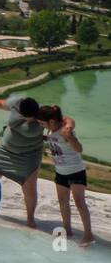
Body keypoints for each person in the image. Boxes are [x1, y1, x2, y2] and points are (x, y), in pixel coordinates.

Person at [0, 95, 44, 228]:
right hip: (5, 152)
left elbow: (63, 120)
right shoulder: (17, 102)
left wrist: (68, 127)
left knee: (29, 188)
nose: (29, 120)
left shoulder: (43, 113)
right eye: (26, 117)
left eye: (32, 118)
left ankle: (30, 218)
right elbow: (2, 103)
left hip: (28, 156)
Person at [40, 106, 94, 247]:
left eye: (42, 123)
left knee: (79, 202)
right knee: (63, 201)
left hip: (76, 170)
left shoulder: (65, 131)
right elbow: (66, 118)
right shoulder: (53, 129)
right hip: (60, 171)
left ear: (51, 121)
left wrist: (69, 136)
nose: (41, 125)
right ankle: (67, 229)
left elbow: (79, 149)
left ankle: (88, 234)